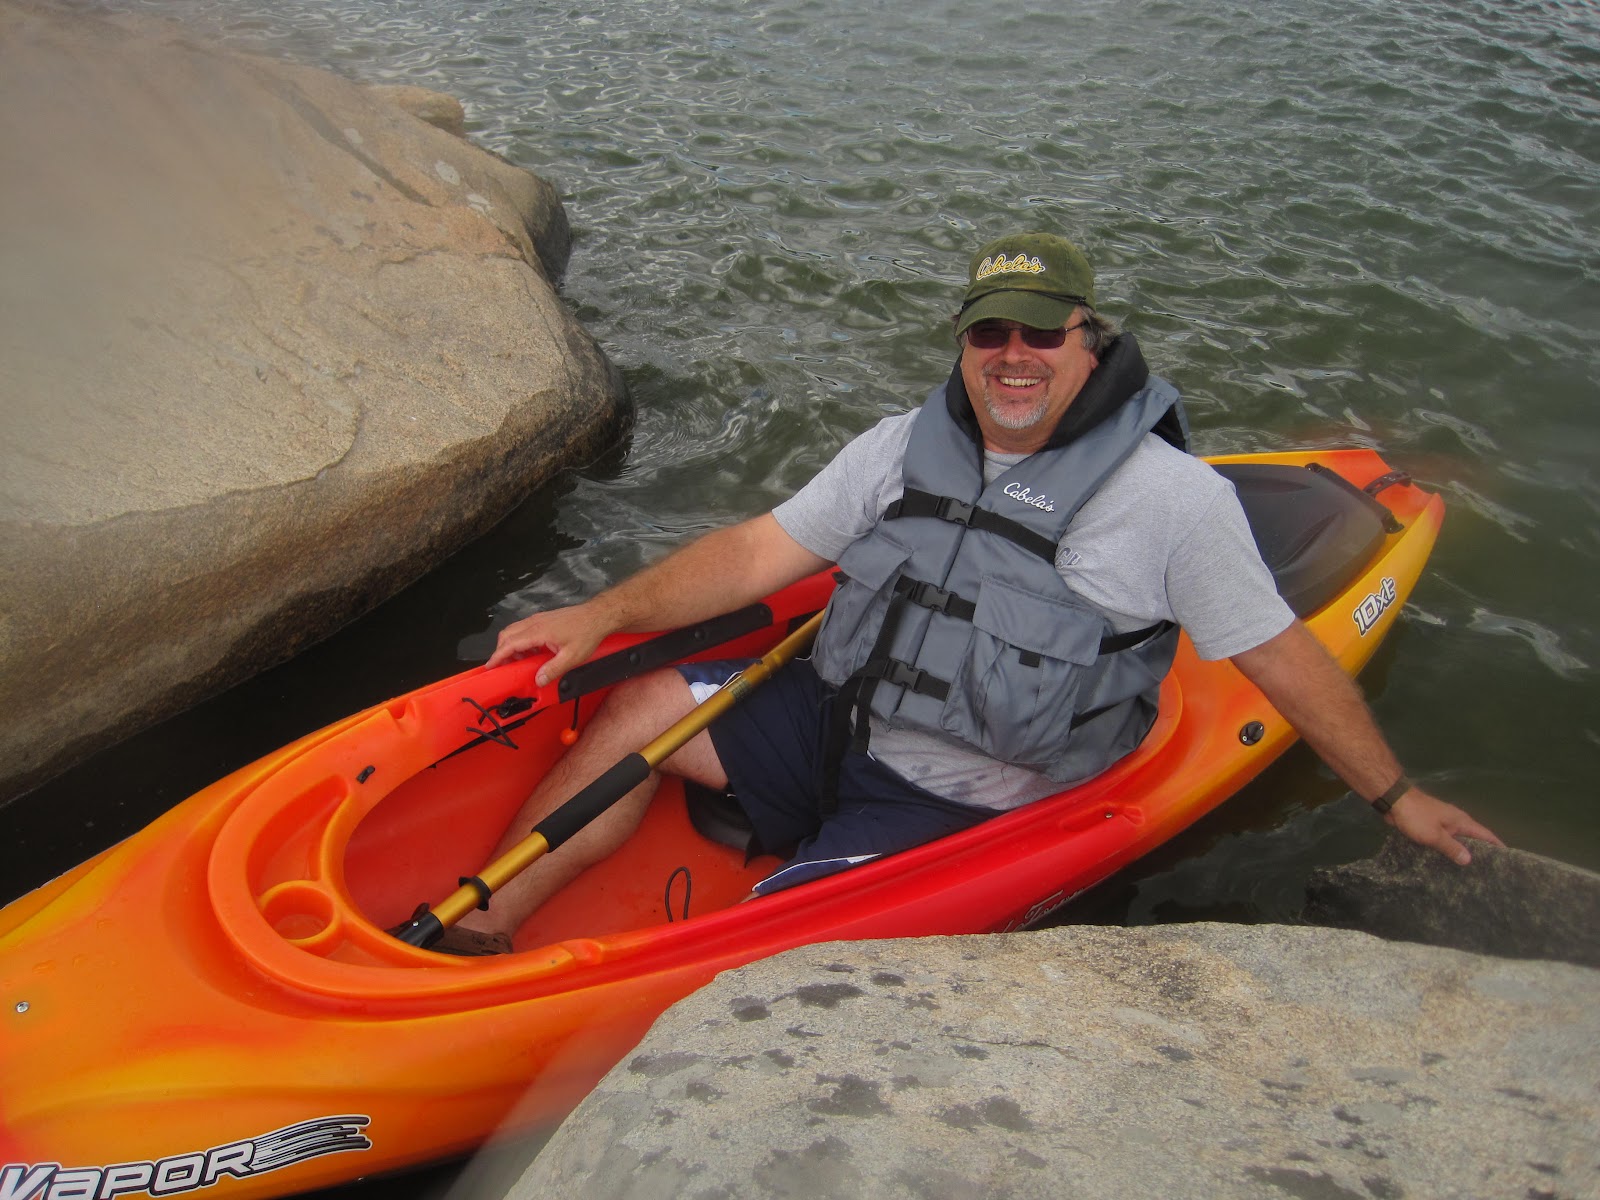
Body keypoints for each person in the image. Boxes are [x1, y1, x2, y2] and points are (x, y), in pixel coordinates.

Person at [436, 231, 1502, 956]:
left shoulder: (1171, 503)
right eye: (989, 332)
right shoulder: (907, 444)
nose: (1013, 355)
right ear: (963, 343)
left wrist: (1395, 797)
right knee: (642, 707)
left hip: (972, 794)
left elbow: (1276, 654)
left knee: (765, 955)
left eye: (1042, 331)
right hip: (840, 720)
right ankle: (484, 930)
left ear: (1090, 343)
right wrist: (603, 613)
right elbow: (760, 551)